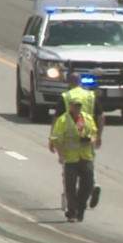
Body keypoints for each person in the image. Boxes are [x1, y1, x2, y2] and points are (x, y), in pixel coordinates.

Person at [50, 72, 105, 208]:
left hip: (69, 138)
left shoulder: (66, 96)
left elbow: (56, 119)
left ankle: (67, 201)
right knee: (88, 165)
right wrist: (98, 135)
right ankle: (93, 185)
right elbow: (100, 117)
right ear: (80, 82)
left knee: (68, 171)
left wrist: (52, 138)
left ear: (69, 83)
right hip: (88, 137)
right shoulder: (90, 96)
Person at [50, 98, 99, 223]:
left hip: (86, 157)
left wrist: (90, 140)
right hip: (70, 159)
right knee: (70, 187)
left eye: (79, 106)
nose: (77, 108)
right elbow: (56, 138)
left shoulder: (87, 118)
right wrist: (61, 155)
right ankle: (72, 213)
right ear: (70, 106)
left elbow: (94, 134)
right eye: (75, 105)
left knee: (87, 186)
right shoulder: (63, 120)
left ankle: (80, 210)